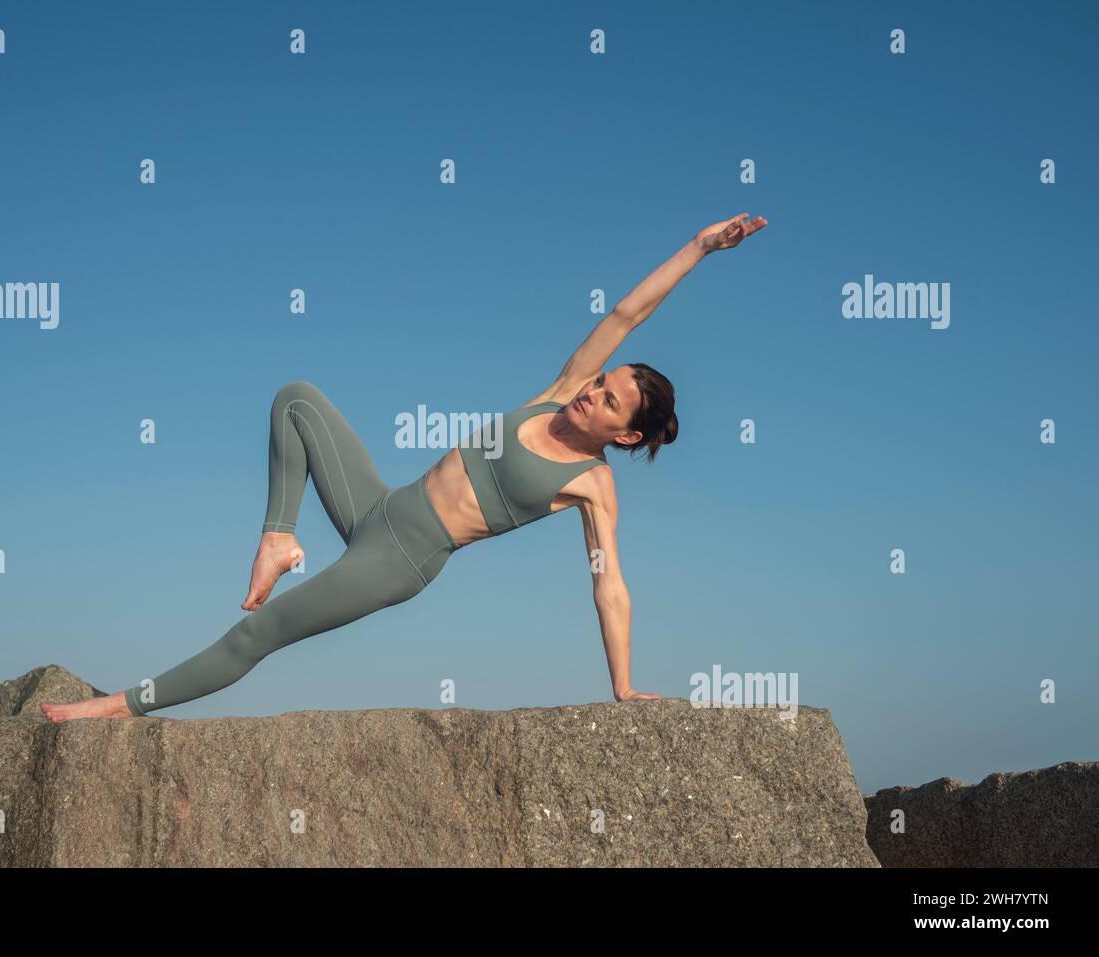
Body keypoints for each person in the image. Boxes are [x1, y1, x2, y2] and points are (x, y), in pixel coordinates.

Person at [41, 212, 768, 722]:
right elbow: (625, 314)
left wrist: (624, 686)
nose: (590, 390)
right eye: (599, 380)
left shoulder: (592, 486)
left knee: (255, 637)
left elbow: (611, 586)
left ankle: (111, 707)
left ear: (624, 431)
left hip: (402, 558)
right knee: (296, 399)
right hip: (381, 504)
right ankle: (278, 538)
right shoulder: (556, 392)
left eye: (606, 400)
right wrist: (700, 247)